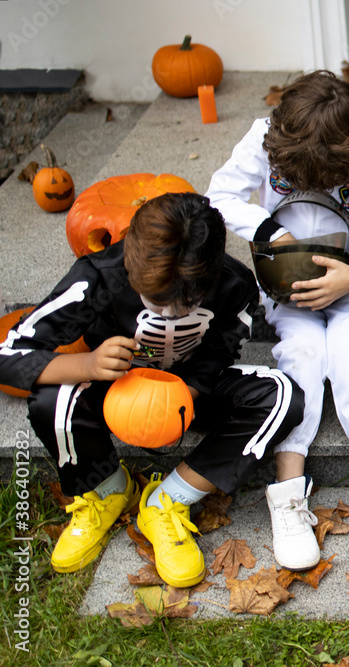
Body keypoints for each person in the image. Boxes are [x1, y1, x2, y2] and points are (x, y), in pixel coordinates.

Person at [0, 192, 305, 587]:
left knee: (283, 395)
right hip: (112, 389)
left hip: (188, 396)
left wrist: (190, 391)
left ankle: (169, 499)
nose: (171, 313)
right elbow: (9, 354)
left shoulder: (236, 285)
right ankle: (106, 489)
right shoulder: (97, 276)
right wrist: (87, 365)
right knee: (51, 398)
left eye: (187, 304)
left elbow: (221, 349)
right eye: (158, 302)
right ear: (131, 265)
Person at [206, 70, 349, 568]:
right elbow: (219, 197)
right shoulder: (264, 136)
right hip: (287, 287)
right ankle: (288, 490)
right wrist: (270, 231)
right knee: (300, 351)